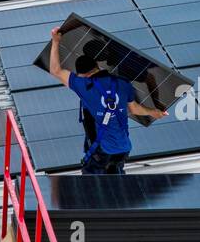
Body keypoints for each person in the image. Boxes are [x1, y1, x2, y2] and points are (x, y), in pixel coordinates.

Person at [49, 27, 166, 175]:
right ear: (97, 67)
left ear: (82, 75)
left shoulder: (84, 86)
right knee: (116, 184)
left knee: (94, 188)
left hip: (102, 151)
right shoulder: (122, 83)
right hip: (123, 148)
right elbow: (134, 108)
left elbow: (55, 70)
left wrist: (55, 41)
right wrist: (154, 113)